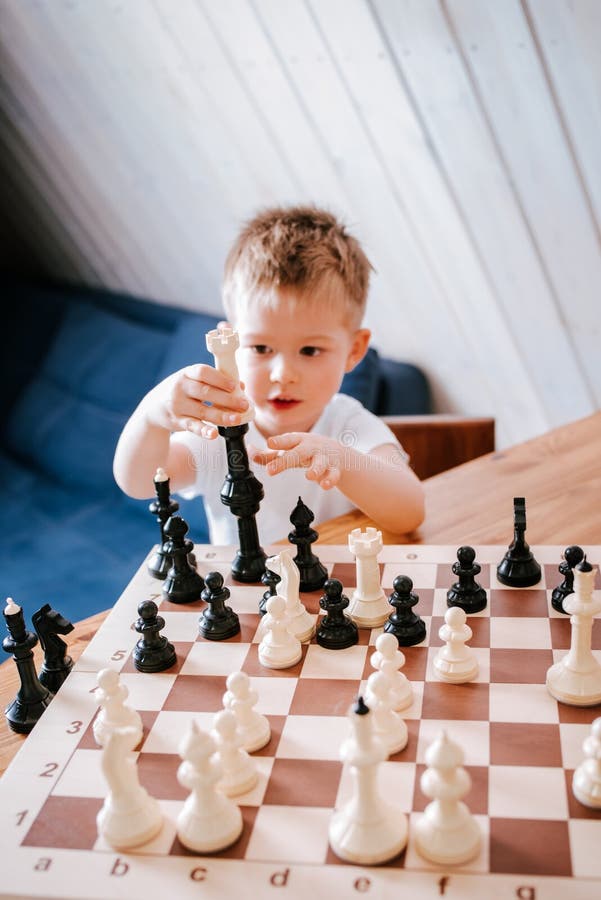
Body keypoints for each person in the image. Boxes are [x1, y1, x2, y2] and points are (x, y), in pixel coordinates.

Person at [113, 206, 425, 543]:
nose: (282, 375)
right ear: (231, 343)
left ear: (354, 350)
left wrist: (343, 460)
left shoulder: (350, 427)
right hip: (247, 593)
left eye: (310, 351)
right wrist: (150, 416)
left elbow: (410, 512)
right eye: (261, 348)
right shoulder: (219, 435)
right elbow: (140, 483)